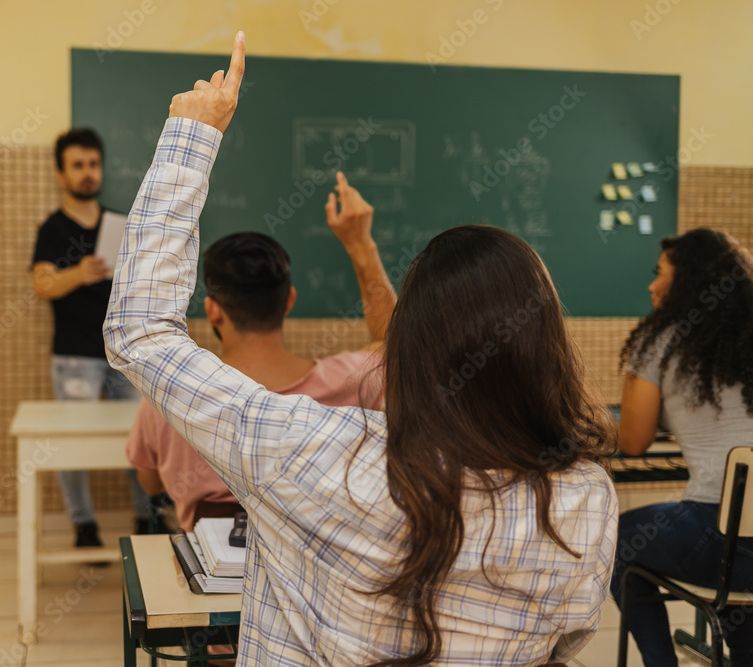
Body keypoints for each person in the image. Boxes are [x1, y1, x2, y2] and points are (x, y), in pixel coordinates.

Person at [104, 32, 618, 665]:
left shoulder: (312, 450)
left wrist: (191, 137)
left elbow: (141, 332)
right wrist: (360, 250)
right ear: (551, 352)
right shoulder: (583, 497)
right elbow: (561, 648)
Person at [125, 176, 393, 532]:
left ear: (213, 311)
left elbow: (150, 483)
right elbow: (397, 344)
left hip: (210, 577)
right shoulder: (350, 381)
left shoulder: (172, 394)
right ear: (290, 301)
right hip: (311, 571)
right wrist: (361, 244)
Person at [612, 227, 753, 666]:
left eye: (660, 275)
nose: (652, 285)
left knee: (615, 540)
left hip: (716, 535)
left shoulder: (661, 342)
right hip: (743, 545)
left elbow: (633, 442)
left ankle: (660, 663)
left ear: (688, 282)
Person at [30, 128, 152, 548]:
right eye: (78, 165)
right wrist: (78, 273)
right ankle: (84, 526)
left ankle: (148, 518)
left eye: (93, 164)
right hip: (74, 358)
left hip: (122, 354)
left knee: (139, 437)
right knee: (73, 444)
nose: (88, 173)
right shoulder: (53, 228)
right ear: (61, 175)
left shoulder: (118, 224)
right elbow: (41, 283)